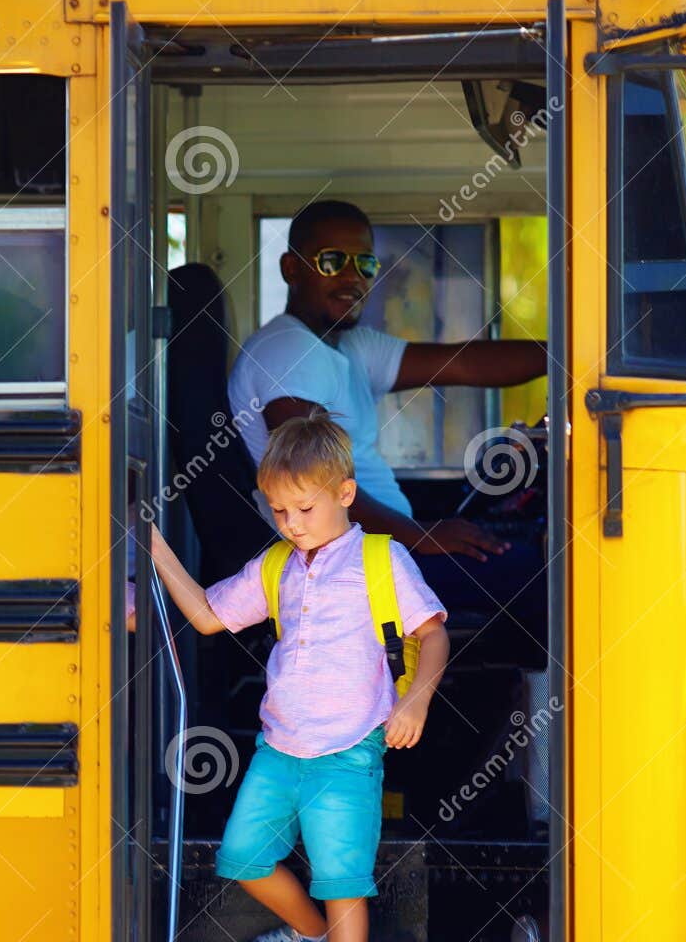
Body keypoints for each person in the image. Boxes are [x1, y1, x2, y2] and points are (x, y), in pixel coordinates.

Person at [150, 409, 449, 942]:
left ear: (345, 494)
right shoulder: (278, 563)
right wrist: (153, 546)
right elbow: (205, 615)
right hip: (277, 747)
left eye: (304, 508)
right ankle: (308, 934)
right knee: (242, 859)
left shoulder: (382, 559)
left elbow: (432, 636)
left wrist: (416, 703)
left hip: (349, 753)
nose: (291, 522)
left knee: (344, 884)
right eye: (278, 509)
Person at [227, 198, 547, 660]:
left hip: (383, 548)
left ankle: (509, 711)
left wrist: (570, 353)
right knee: (544, 575)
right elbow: (314, 490)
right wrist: (424, 534)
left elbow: (460, 363)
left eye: (365, 263)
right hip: (351, 569)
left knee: (527, 557)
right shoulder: (286, 353)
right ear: (291, 269)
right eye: (332, 261)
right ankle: (536, 721)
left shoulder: (345, 345)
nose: (352, 278)